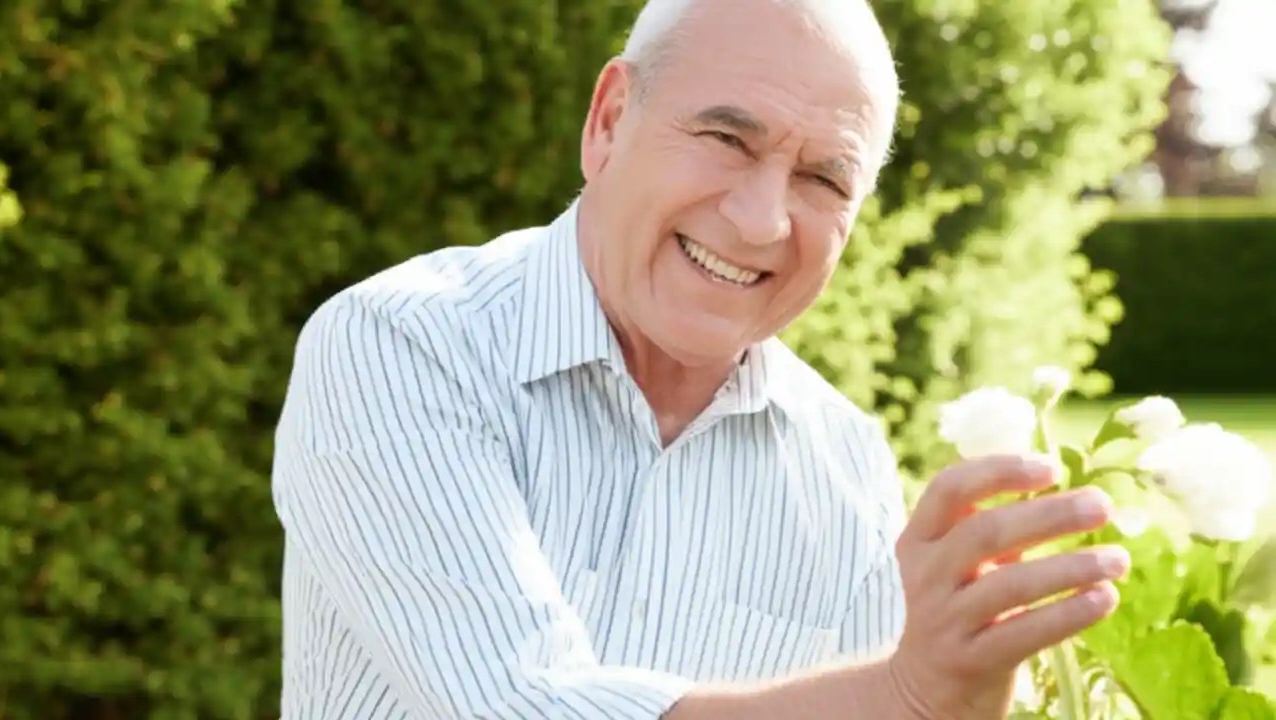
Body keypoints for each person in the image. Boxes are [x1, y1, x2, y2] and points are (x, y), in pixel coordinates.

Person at [270, 0, 1131, 717]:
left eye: (824, 180)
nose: (762, 221)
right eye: (726, 138)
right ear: (610, 122)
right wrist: (899, 695)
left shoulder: (844, 461)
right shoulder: (400, 346)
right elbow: (519, 703)